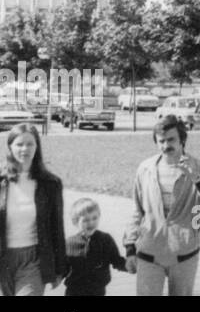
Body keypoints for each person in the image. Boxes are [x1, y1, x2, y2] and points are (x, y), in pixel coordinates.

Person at [124, 114, 200, 296]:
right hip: (149, 251)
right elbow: (137, 210)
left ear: (182, 140)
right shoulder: (145, 169)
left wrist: (197, 179)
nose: (166, 145)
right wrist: (130, 247)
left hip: (184, 253)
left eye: (171, 140)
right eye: (161, 141)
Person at [0, 123, 67, 295]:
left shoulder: (50, 184)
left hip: (34, 260)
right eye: (19, 144)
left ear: (37, 146)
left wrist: (59, 268)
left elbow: (56, 227)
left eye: (30, 144)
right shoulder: (2, 181)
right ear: (10, 147)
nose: (25, 149)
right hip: (3, 258)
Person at [65, 197, 128, 298]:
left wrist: (131, 265)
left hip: (98, 291)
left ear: (99, 217)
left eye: (94, 218)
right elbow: (62, 269)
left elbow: (117, 261)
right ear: (75, 221)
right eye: (85, 220)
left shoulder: (105, 240)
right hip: (74, 291)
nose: (91, 223)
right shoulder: (69, 243)